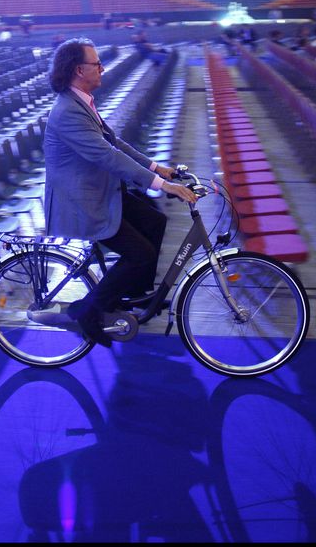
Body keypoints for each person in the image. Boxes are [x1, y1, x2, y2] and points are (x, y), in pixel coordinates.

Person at [41, 38, 198, 346]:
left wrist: (157, 168)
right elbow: (107, 156)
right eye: (96, 64)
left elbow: (115, 144)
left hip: (99, 192)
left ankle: (134, 297)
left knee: (156, 221)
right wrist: (165, 186)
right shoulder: (67, 113)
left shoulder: (81, 101)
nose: (102, 68)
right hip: (82, 203)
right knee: (141, 254)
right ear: (78, 70)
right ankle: (87, 311)